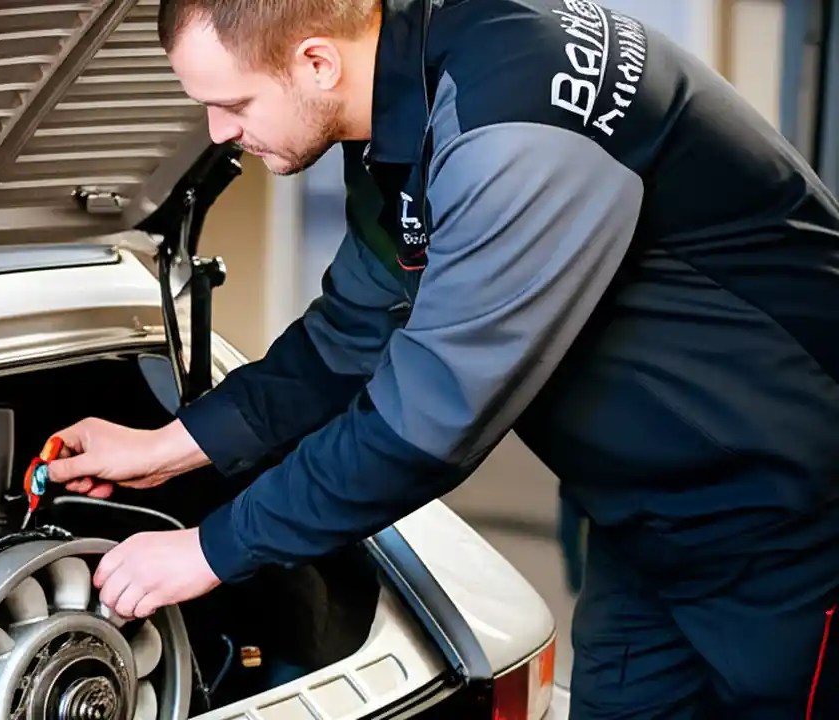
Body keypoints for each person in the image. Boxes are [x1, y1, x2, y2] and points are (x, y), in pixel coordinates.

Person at [45, 0, 839, 717]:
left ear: (317, 61)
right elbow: (354, 334)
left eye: (233, 103)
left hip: (792, 523)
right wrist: (166, 448)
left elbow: (425, 425)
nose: (216, 132)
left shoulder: (514, 124)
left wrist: (210, 550)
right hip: (652, 520)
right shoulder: (413, 96)